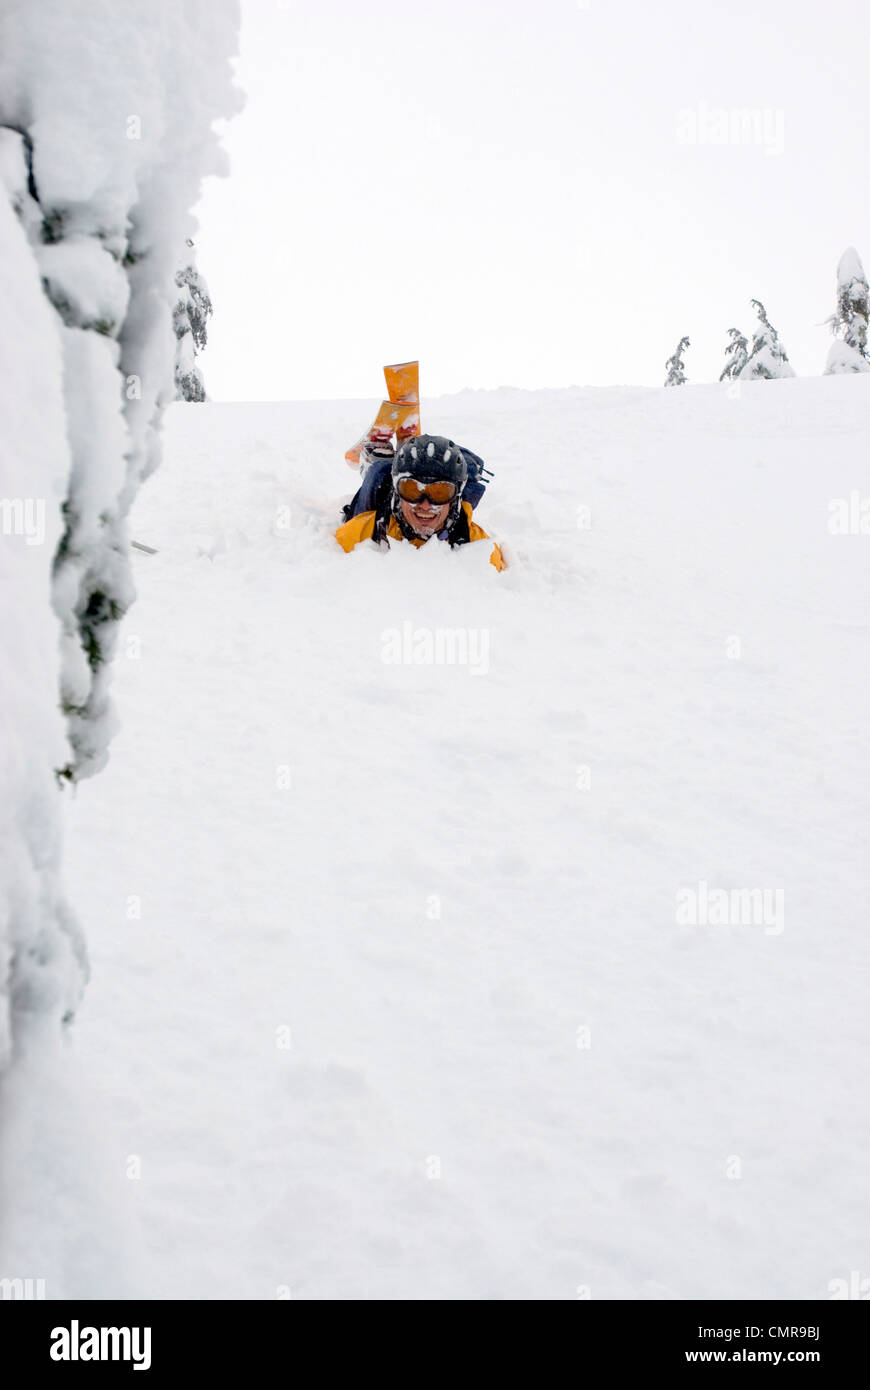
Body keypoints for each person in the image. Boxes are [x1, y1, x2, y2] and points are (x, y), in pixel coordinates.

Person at [335, 434, 506, 570]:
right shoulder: (359, 532)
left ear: (454, 499)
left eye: (439, 492)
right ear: (398, 492)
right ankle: (375, 459)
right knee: (378, 476)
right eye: (412, 490)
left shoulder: (479, 547)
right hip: (381, 493)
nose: (425, 505)